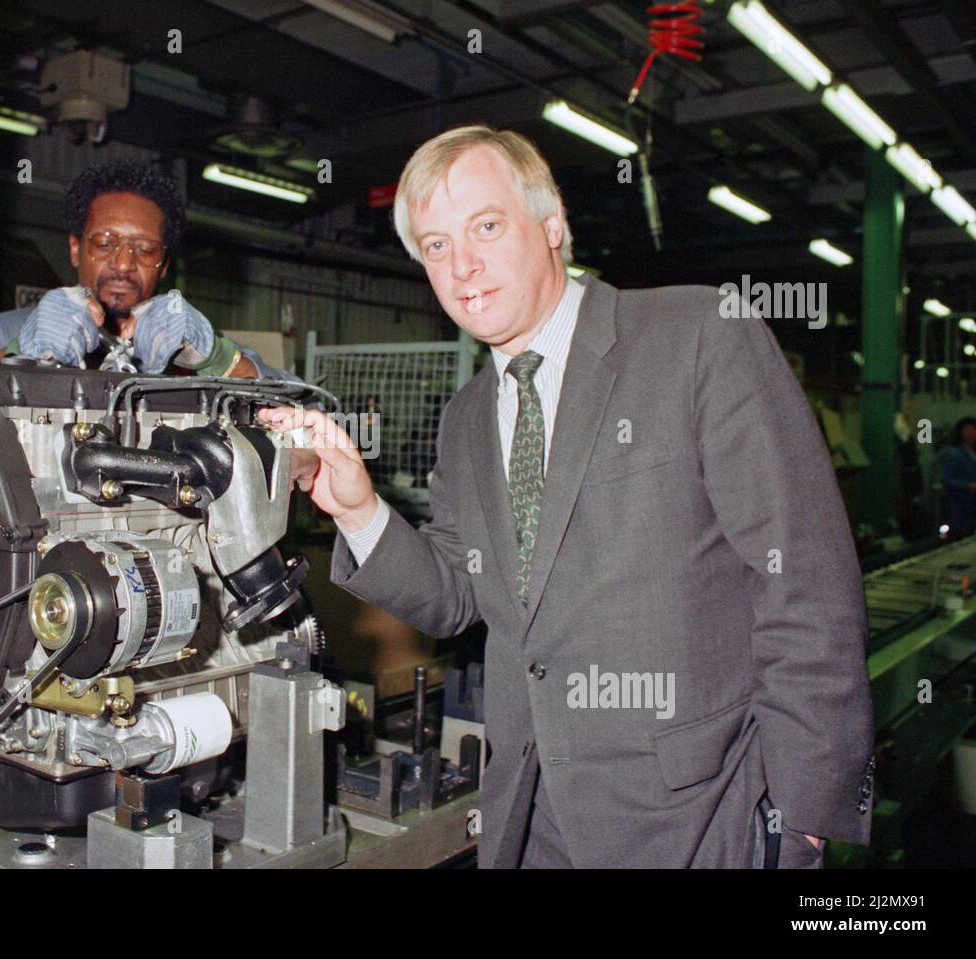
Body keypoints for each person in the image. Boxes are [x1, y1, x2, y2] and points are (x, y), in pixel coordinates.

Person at [259, 125, 874, 868]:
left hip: (701, 813)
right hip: (535, 813)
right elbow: (459, 596)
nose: (464, 266)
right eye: (437, 245)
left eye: (486, 226)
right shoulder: (467, 418)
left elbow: (806, 581)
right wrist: (356, 507)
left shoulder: (697, 335)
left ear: (553, 225)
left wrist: (804, 819)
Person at [0, 160, 291, 442]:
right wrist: (15, 354)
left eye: (145, 248)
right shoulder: (11, 330)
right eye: (105, 242)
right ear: (76, 249)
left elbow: (305, 419)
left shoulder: (190, 345)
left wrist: (220, 360)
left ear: (163, 264)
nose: (123, 262)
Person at [938, 416, 976, 538]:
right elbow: (946, 480)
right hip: (958, 507)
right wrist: (967, 486)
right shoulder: (954, 454)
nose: (971, 432)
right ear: (960, 432)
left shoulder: (972, 453)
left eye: (974, 429)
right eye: (967, 429)